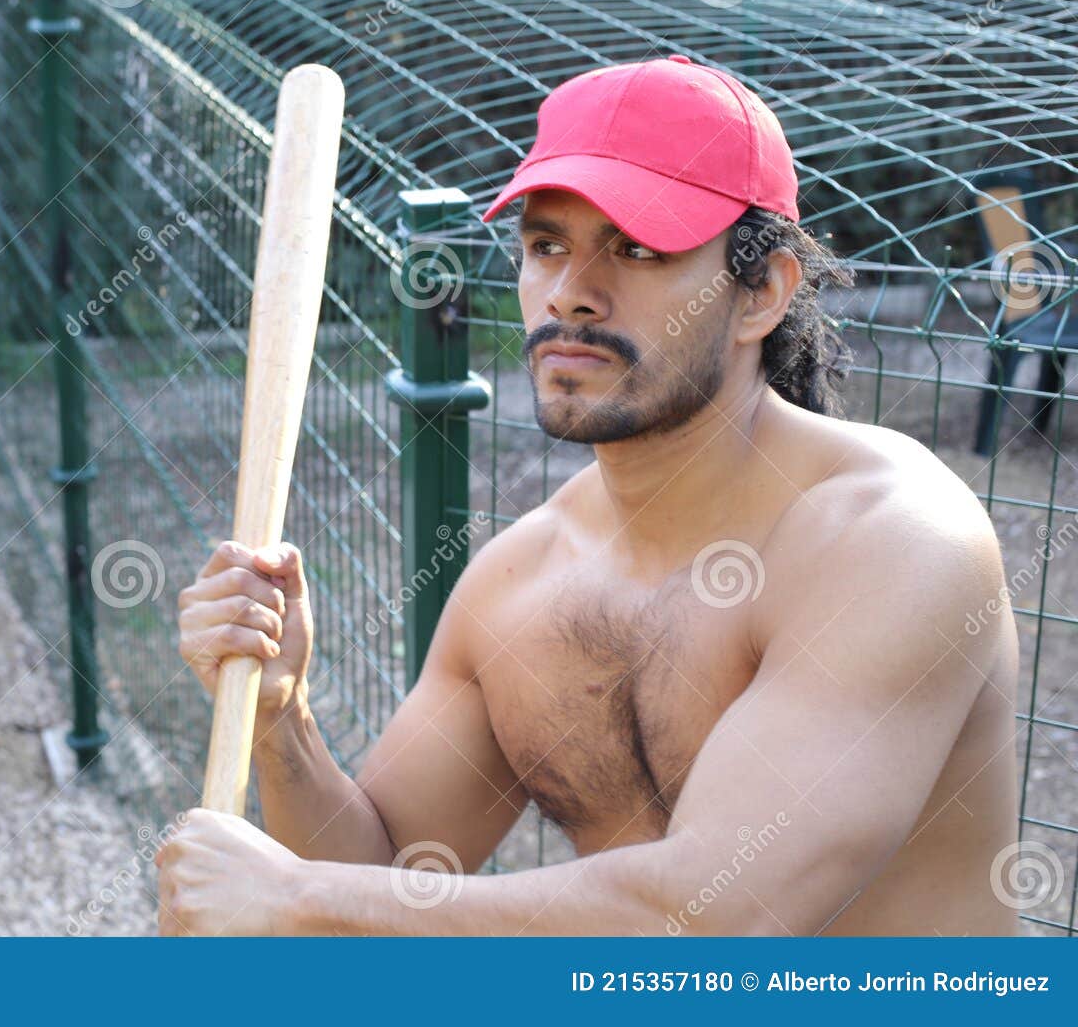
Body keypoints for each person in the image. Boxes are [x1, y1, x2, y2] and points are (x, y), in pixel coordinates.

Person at [156, 55, 1021, 936]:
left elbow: (720, 916)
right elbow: (385, 879)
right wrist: (282, 717)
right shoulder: (521, 582)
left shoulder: (894, 542)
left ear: (761, 291)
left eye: (639, 247)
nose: (571, 292)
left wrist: (298, 897)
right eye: (546, 245)